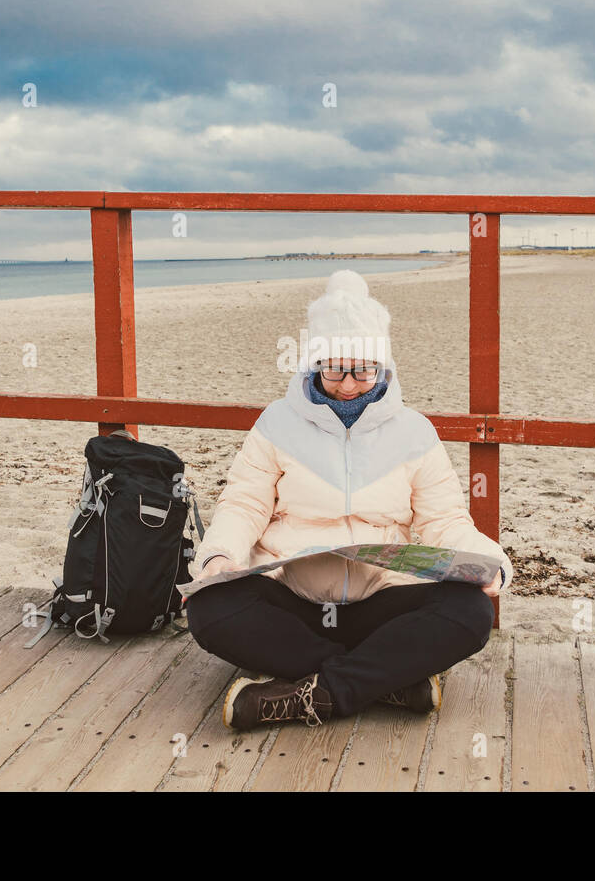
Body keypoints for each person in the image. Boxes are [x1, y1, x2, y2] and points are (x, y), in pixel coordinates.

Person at [184, 269, 514, 730]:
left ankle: (316, 693)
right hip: (292, 599)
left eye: (364, 369)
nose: (349, 383)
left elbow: (444, 519)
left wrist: (486, 560)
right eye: (336, 368)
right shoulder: (277, 423)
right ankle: (387, 680)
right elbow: (244, 504)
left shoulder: (414, 431)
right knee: (210, 607)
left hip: (379, 598)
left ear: (384, 366)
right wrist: (219, 557)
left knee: (470, 611)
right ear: (314, 363)